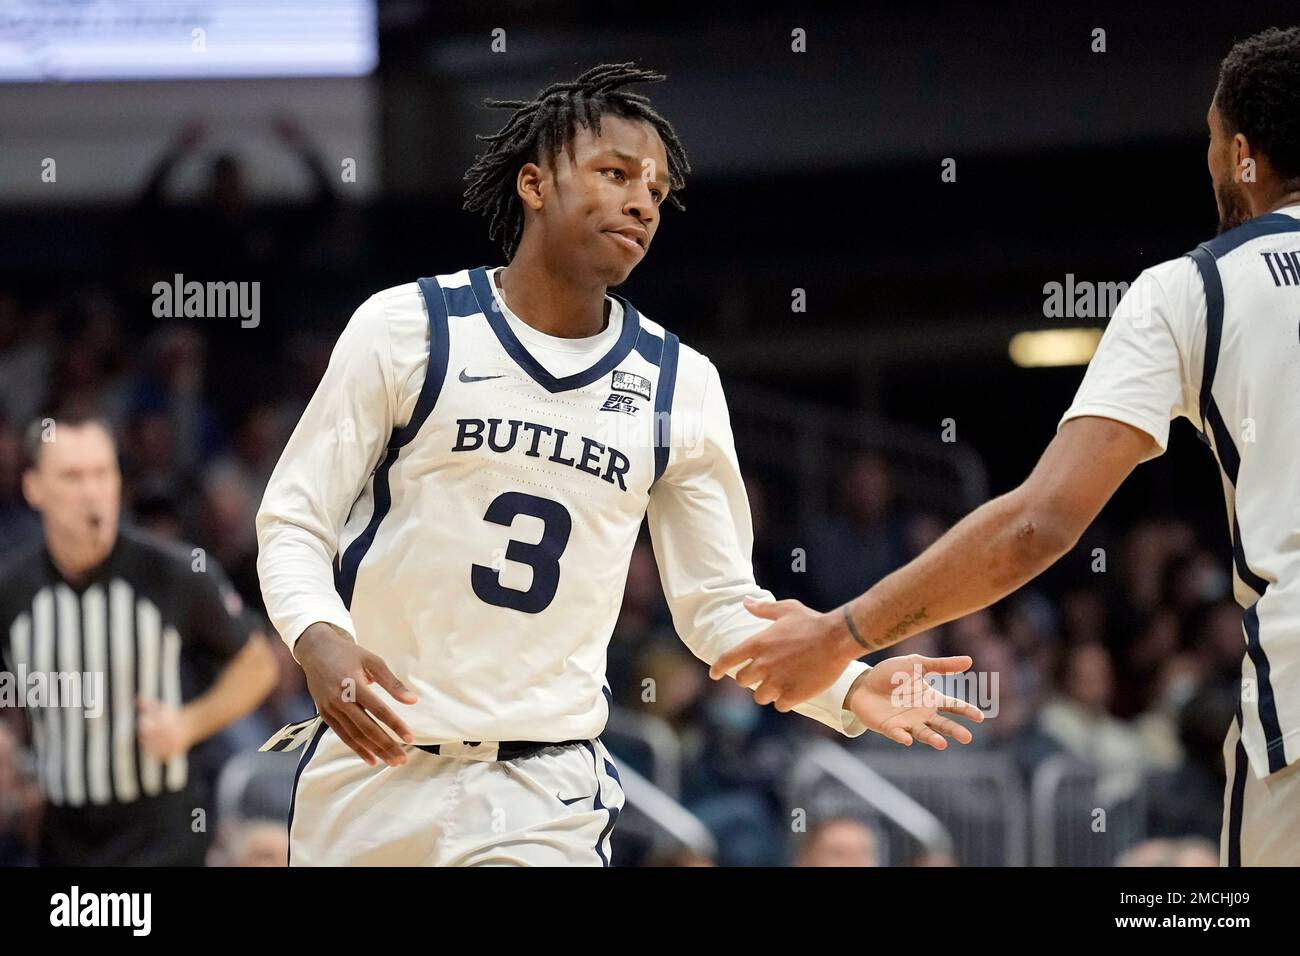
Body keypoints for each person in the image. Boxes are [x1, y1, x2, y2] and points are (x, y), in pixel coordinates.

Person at [255, 62, 983, 867]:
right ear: (534, 184)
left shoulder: (682, 384)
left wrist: (845, 686)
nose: (642, 202)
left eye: (656, 190)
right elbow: (293, 519)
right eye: (614, 174)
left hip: (540, 789)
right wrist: (319, 640)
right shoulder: (408, 327)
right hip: (368, 771)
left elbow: (718, 609)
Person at [709, 27, 1300, 867]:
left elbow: (1040, 525)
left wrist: (841, 634)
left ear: (1241, 153)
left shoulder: (1196, 286)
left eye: (1209, 142)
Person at [0, 413, 278, 864]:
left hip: (162, 836)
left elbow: (259, 664)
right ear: (33, 488)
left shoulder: (173, 571)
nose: (91, 491)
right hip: (62, 837)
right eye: (72, 476)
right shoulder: (12, 587)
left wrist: (188, 723)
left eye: (102, 473)